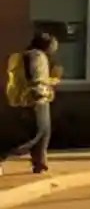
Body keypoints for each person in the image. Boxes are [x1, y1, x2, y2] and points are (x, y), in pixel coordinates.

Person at [1, 33, 59, 175]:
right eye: (53, 45)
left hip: (34, 99)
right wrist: (41, 90)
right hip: (35, 100)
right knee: (34, 134)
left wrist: (51, 81)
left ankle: (40, 164)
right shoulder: (37, 56)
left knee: (44, 132)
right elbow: (35, 78)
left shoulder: (28, 55)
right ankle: (2, 154)